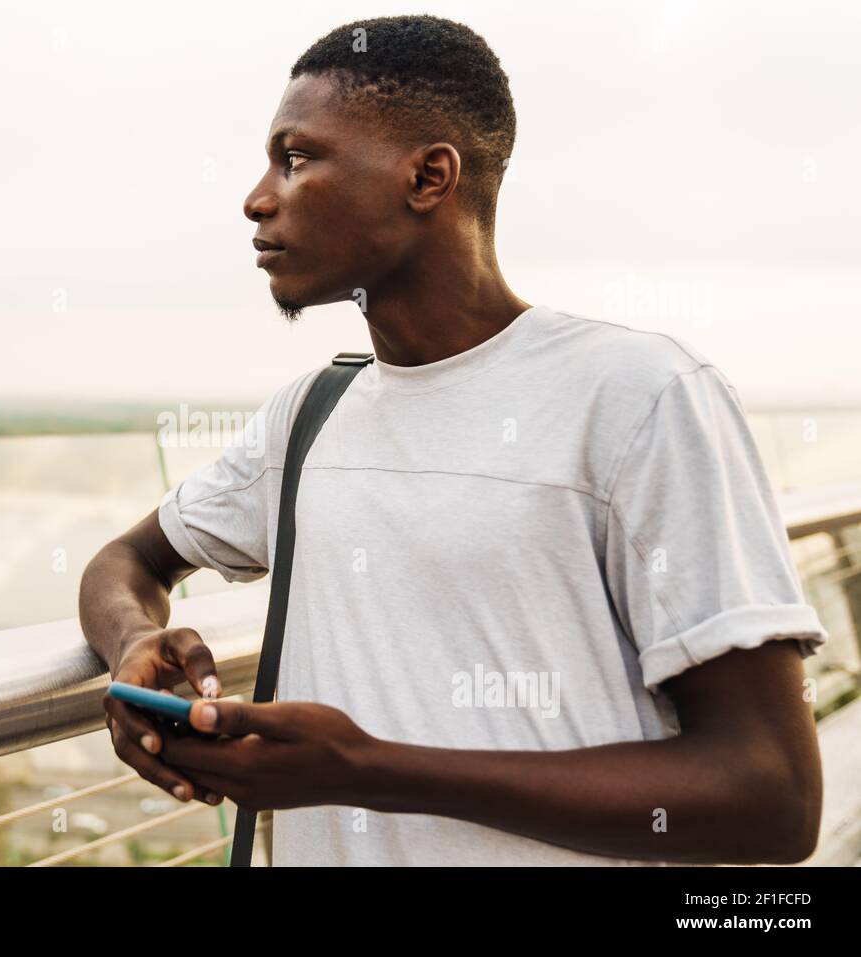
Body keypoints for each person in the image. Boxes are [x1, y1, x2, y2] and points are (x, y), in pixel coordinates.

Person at [78, 14, 828, 866]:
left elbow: (773, 796)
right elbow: (125, 564)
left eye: (296, 158)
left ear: (429, 177)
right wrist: (132, 643)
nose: (257, 197)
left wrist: (365, 768)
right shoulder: (312, 413)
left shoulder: (640, 396)